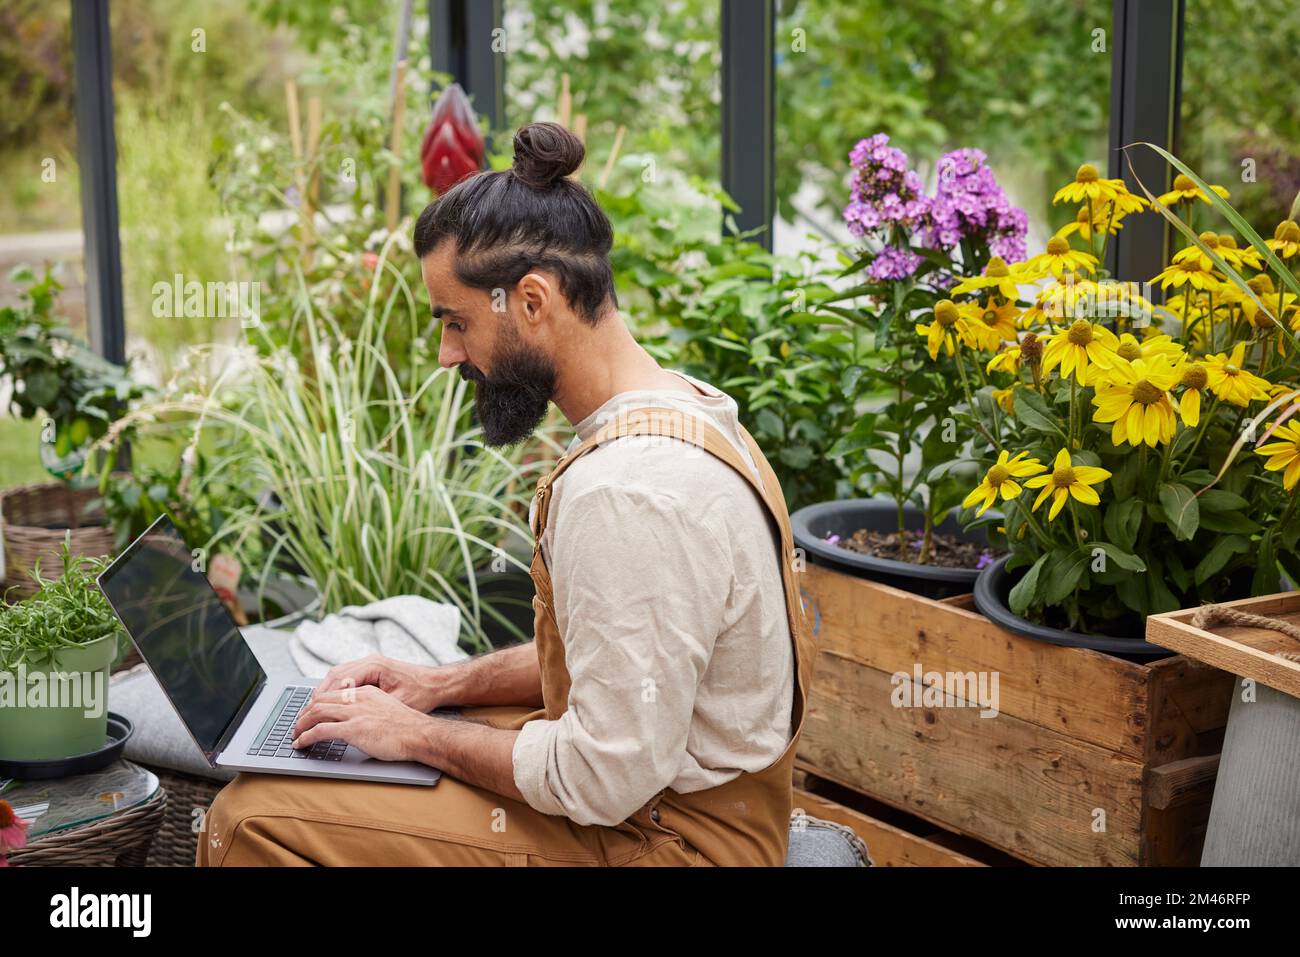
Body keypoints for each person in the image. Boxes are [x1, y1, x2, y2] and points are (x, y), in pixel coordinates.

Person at [197, 122, 814, 867]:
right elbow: (625, 664)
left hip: (673, 842)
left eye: (455, 322)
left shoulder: (629, 492)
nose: (447, 354)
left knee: (253, 815)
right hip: (663, 800)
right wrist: (441, 684)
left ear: (531, 300)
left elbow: (601, 774)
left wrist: (419, 735)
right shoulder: (686, 410)